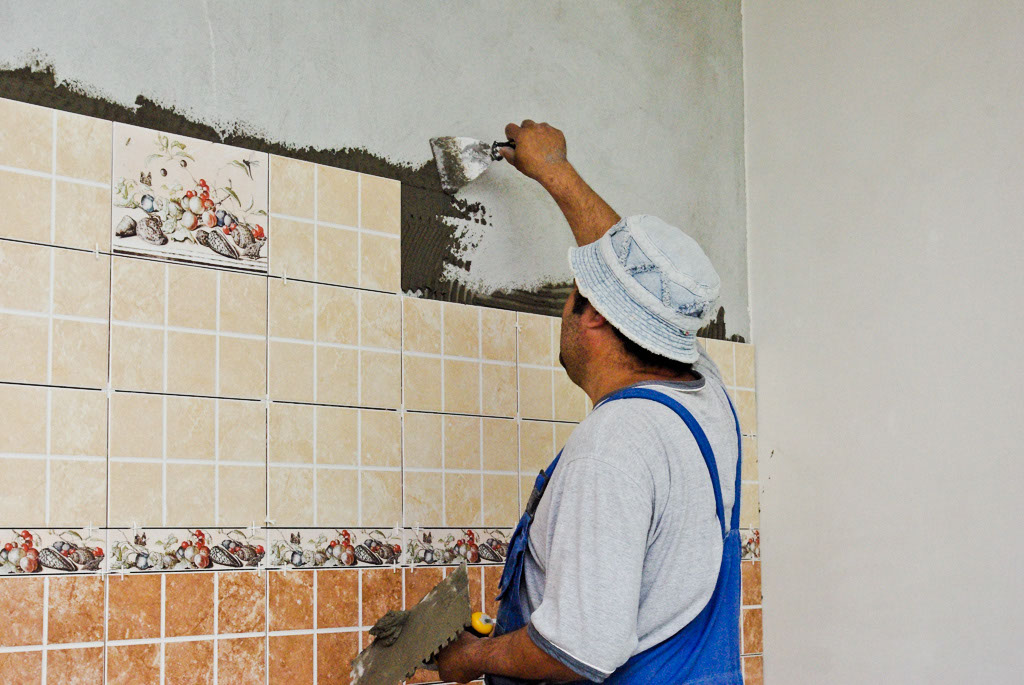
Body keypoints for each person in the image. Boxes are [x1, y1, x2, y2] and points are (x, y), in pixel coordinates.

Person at [436, 121, 743, 684]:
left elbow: (579, 650)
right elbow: (645, 285)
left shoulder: (614, 445)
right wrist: (555, 170)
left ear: (596, 314)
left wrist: (470, 658)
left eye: (575, 294)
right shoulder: (705, 396)